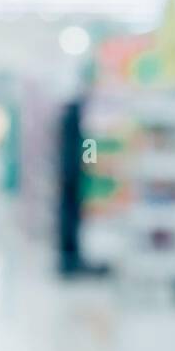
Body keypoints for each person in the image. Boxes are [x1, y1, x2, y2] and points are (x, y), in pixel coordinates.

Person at [57, 90, 108, 278]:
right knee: (72, 214)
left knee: (69, 213)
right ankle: (70, 257)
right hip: (74, 172)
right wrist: (91, 164)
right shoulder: (80, 115)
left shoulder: (69, 114)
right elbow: (88, 141)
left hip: (70, 171)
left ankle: (69, 256)